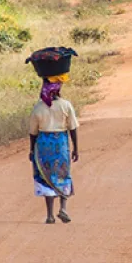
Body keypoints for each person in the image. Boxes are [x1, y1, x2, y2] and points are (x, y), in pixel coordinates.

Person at [29, 78, 80, 224]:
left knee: (46, 176)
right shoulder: (65, 105)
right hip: (61, 143)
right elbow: (73, 128)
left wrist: (32, 150)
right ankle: (63, 208)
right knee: (63, 173)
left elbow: (33, 133)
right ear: (58, 90)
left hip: (43, 145)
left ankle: (50, 215)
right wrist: (76, 148)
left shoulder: (38, 108)